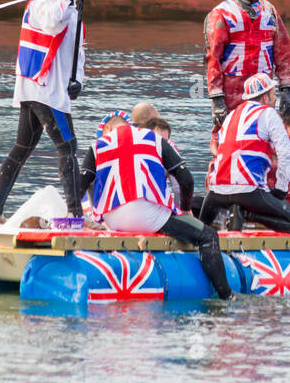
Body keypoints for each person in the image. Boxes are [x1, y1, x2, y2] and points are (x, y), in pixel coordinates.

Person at [79, 111, 231, 299]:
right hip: (150, 217)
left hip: (112, 220)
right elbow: (186, 180)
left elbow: (80, 185)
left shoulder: (97, 145)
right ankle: (226, 296)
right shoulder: (155, 139)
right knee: (208, 235)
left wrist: (78, 218)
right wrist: (185, 209)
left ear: (108, 129)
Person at [0, 0, 90, 223]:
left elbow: (77, 53)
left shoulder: (72, 11)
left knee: (22, 148)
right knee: (68, 147)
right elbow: (53, 22)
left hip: (48, 91)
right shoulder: (44, 3)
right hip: (44, 91)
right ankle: (75, 215)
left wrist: (78, 81)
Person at [199, 73, 290, 233]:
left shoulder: (231, 115)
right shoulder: (269, 114)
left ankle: (233, 215)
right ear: (264, 98)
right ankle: (248, 214)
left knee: (201, 227)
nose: (276, 99)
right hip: (249, 191)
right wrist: (280, 189)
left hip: (216, 191)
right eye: (273, 94)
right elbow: (286, 155)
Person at [204, 0, 290, 139]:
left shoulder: (269, 11)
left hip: (264, 92)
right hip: (233, 93)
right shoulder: (222, 14)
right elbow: (212, 59)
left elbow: (283, 52)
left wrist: (286, 91)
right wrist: (216, 99)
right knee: (227, 138)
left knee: (265, 137)